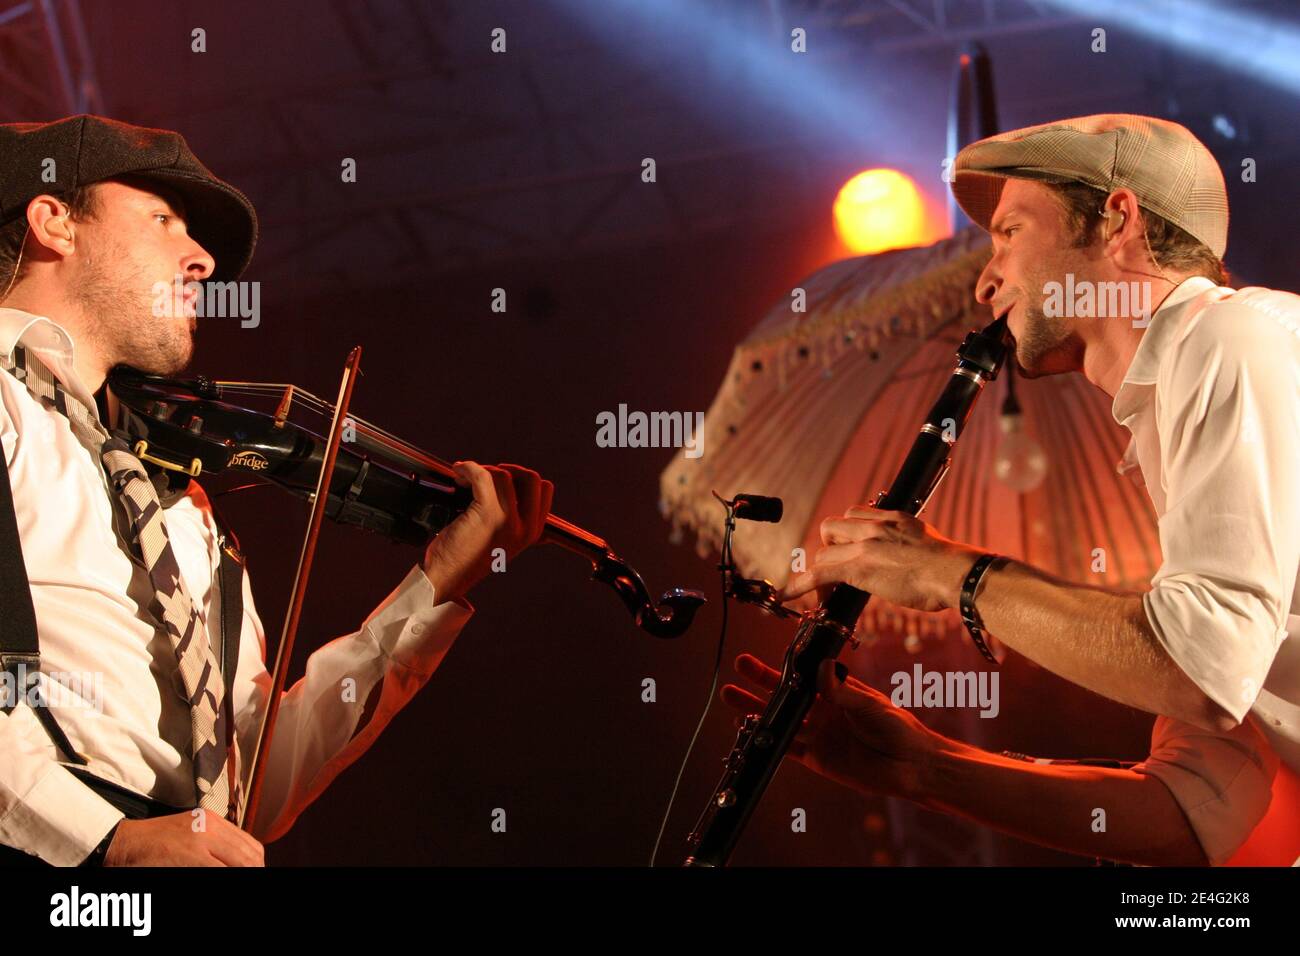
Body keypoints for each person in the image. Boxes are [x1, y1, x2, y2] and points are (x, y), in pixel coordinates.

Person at [731, 114, 1299, 865]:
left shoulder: (1229, 339)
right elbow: (1192, 811)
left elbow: (1198, 669)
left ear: (1117, 220)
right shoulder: (1185, 413)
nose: (986, 279)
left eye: (1009, 233)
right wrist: (923, 769)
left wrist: (944, 573)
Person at [0, 115, 552, 866]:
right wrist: (109, 843)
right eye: (164, 219)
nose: (200, 259)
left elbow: (255, 787)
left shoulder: (179, 500)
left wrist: (436, 586)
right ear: (53, 221)